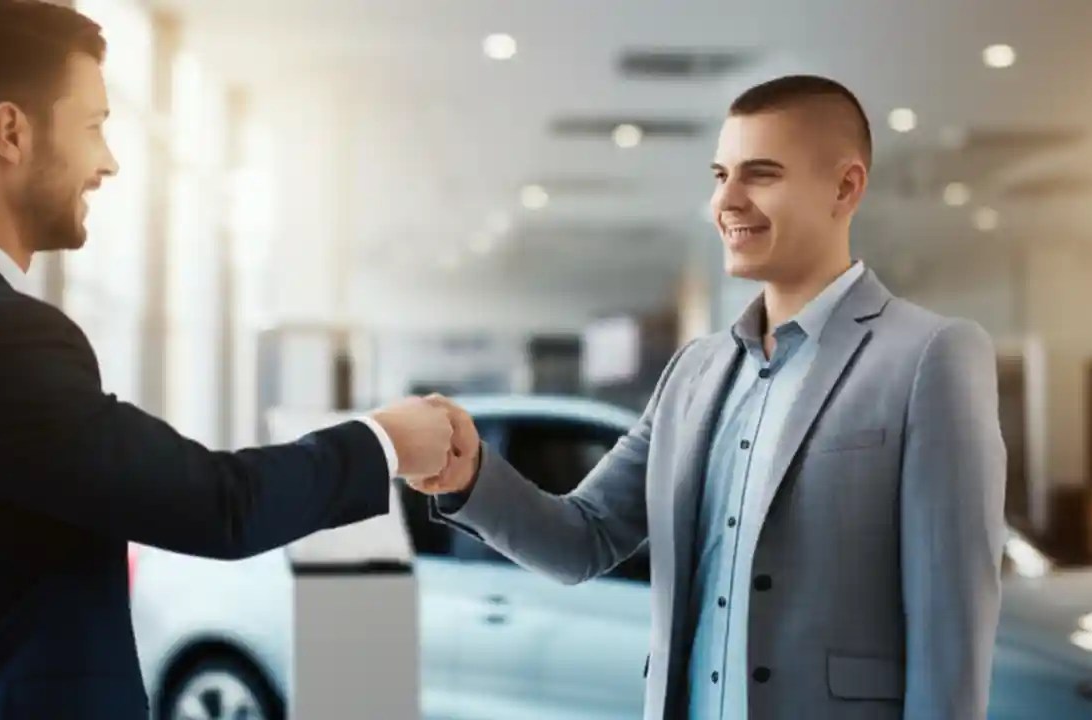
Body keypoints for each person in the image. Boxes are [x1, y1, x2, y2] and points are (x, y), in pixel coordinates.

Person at [0, 1, 453, 717]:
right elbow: (215, 505)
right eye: (92, 126)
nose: (107, 161)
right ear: (11, 131)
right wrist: (386, 441)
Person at [414, 75, 1007, 720]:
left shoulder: (930, 357)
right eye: (721, 174)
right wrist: (470, 476)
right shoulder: (693, 373)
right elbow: (583, 539)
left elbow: (950, 630)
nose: (727, 199)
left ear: (845, 187)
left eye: (761, 174)